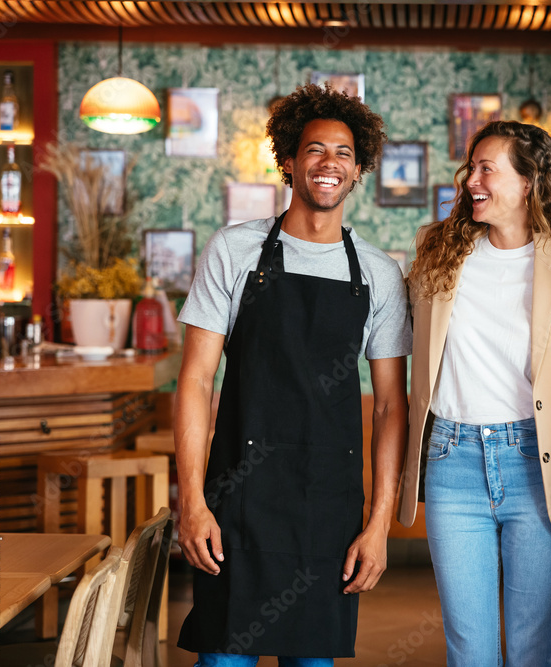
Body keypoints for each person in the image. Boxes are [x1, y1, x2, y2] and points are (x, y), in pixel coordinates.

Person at [174, 83, 411, 666]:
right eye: (314, 149)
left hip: (326, 506)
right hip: (237, 500)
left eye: (344, 153)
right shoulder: (234, 251)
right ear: (287, 160)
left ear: (358, 171)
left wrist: (379, 523)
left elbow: (389, 407)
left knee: (312, 659)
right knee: (223, 656)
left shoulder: (379, 274)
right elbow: (196, 382)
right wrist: (192, 501)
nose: (330, 163)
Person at [397, 120, 551, 666]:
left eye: (487, 168)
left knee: (532, 646)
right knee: (470, 646)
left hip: (541, 461)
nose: (471, 180)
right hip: (451, 459)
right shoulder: (437, 249)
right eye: (471, 168)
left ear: (528, 180)